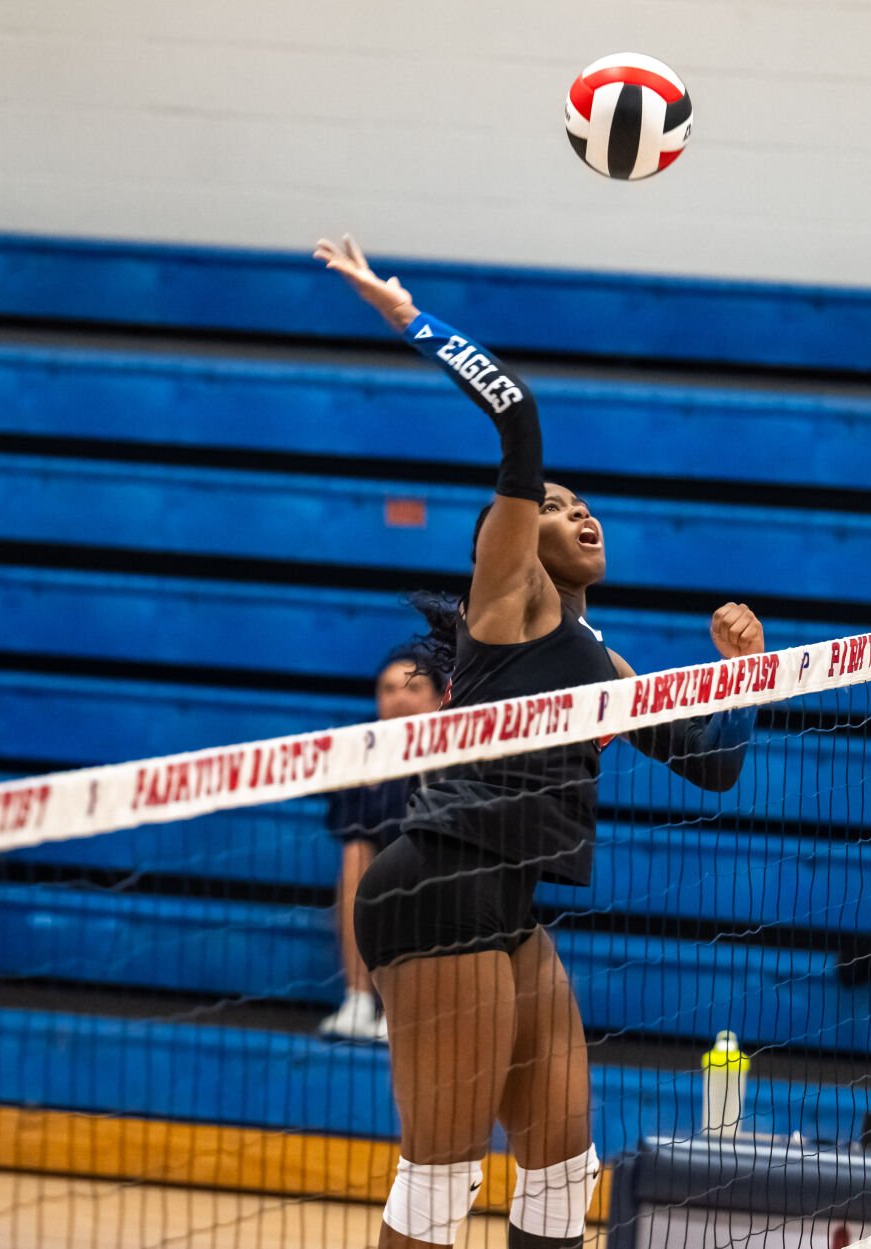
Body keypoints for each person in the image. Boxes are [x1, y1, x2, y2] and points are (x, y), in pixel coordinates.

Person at [315, 235, 764, 1249]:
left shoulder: (601, 663)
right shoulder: (509, 599)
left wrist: (742, 674)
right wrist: (409, 317)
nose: (577, 512)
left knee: (565, 1166)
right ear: (507, 542)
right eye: (553, 509)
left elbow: (713, 762)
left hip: (510, 896)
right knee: (440, 1179)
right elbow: (518, 419)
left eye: (582, 505)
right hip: (440, 881)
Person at [320, 647, 445, 1042]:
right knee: (356, 855)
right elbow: (351, 830)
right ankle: (358, 1001)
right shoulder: (361, 750)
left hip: (445, 875)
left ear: (439, 698)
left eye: (413, 687)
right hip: (383, 874)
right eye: (388, 689)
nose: (399, 698)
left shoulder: (460, 751)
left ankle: (405, 1005)